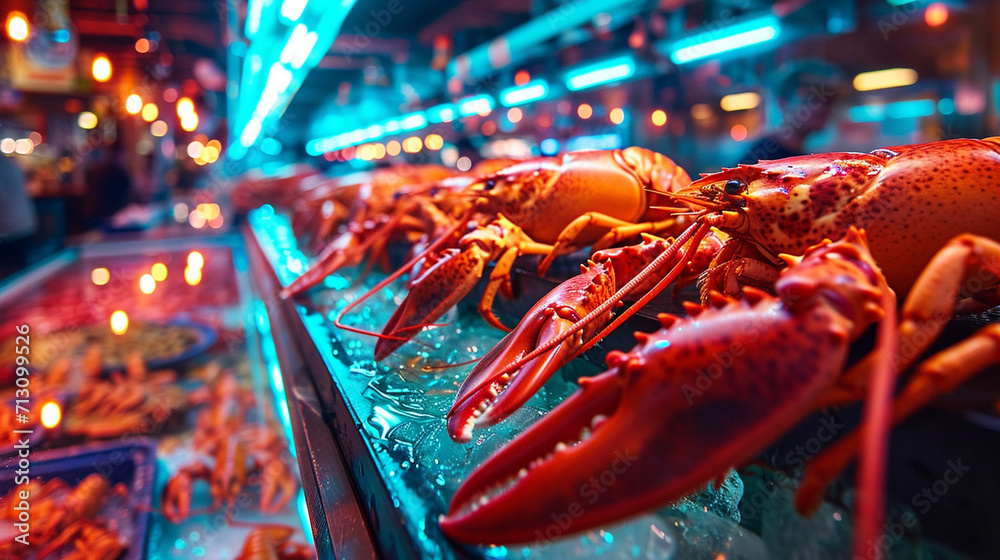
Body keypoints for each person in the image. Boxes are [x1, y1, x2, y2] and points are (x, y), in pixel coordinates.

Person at [739, 59, 844, 164]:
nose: (822, 108)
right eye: (811, 99)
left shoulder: (800, 154)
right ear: (783, 102)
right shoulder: (760, 155)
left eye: (829, 101)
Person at [0, 155, 39, 277]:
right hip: (24, 224)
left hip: (10, 229)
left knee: (12, 275)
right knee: (21, 272)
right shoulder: (9, 163)